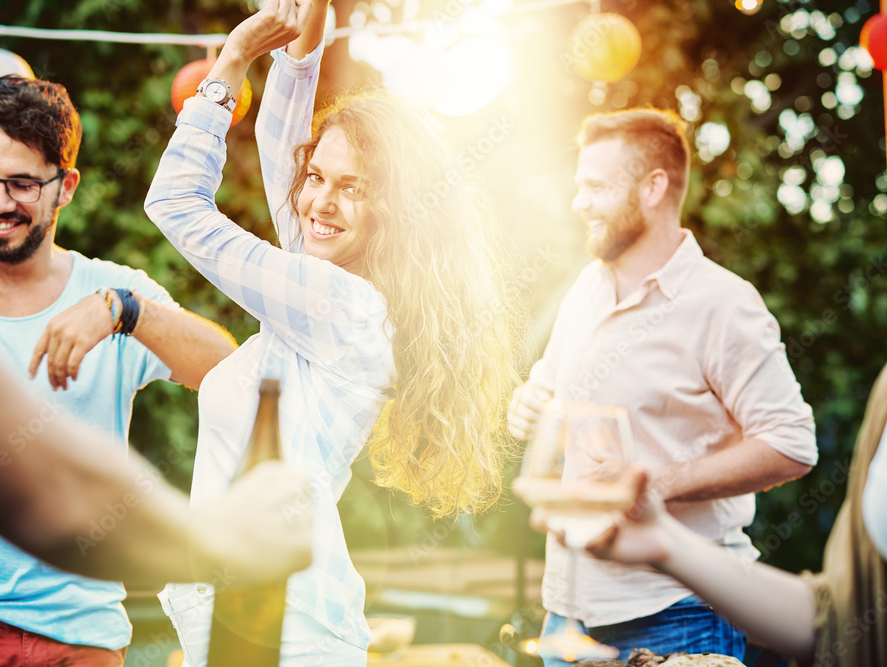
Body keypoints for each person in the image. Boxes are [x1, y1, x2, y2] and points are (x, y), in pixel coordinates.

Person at [145, 0, 521, 664]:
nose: (319, 200)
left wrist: (231, 61)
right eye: (316, 176)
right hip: (269, 614)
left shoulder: (341, 306)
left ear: (395, 211)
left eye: (353, 188)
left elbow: (174, 202)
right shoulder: (336, 283)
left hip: (280, 627)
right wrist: (305, 27)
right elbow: (280, 137)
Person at [0, 131, 314, 657]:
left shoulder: (113, 288)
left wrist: (126, 310)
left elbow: (227, 372)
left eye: (21, 184)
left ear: (66, 186)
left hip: (84, 636)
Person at [507, 108, 818, 663]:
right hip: (567, 613)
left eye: (596, 187)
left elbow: (792, 442)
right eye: (580, 185)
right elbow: (549, 391)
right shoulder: (587, 288)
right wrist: (528, 404)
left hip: (681, 614)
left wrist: (659, 483)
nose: (579, 203)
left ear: (653, 188)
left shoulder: (723, 303)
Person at [559, 361, 887, 667]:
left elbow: (791, 443)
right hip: (582, 606)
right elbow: (837, 622)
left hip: (674, 613)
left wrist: (660, 484)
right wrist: (661, 540)